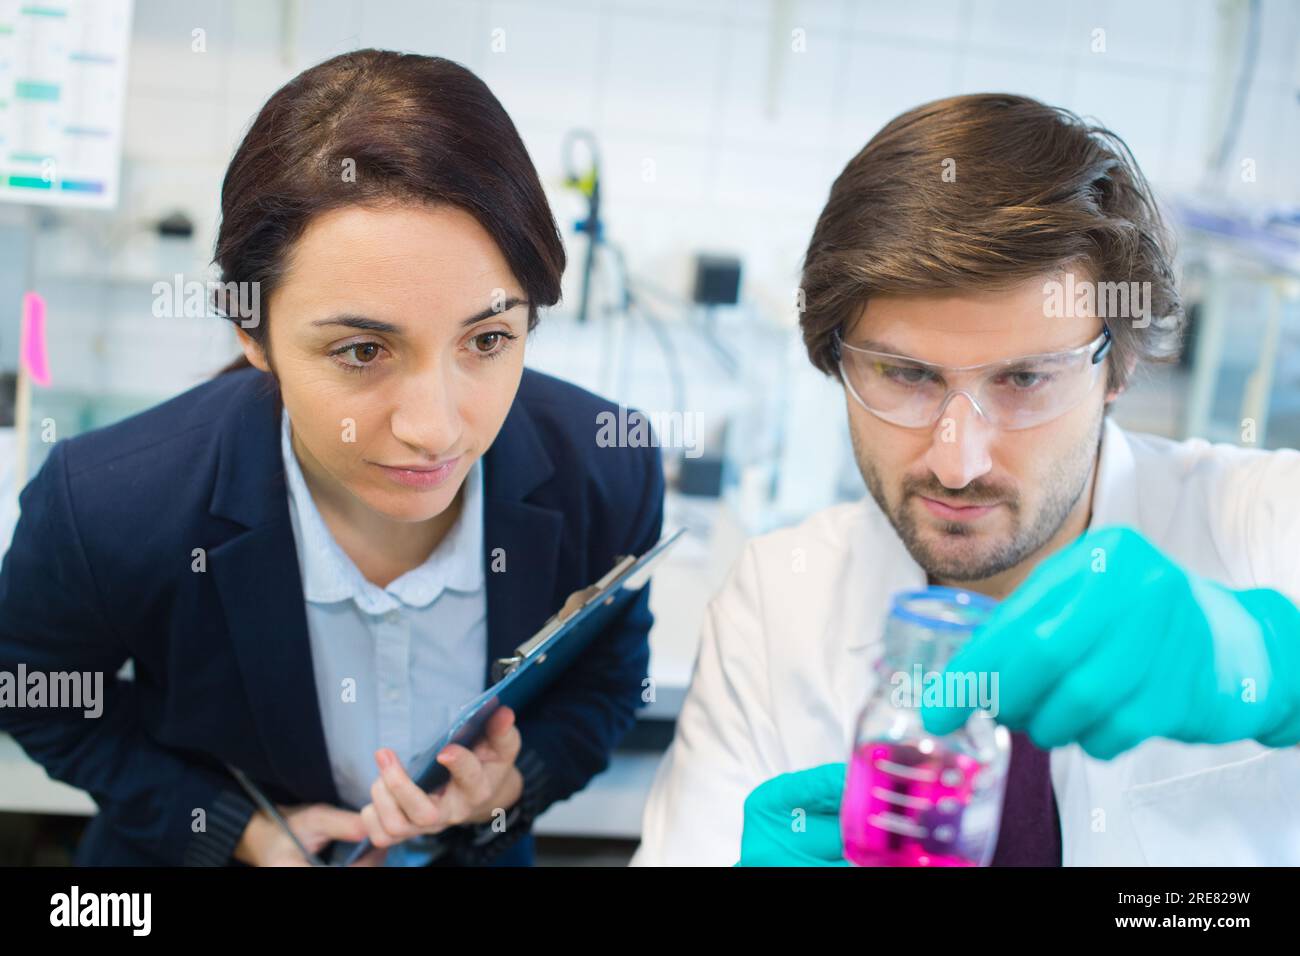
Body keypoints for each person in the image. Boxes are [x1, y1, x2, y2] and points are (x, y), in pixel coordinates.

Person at [0, 49, 663, 867]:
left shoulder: (607, 470)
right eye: (360, 350)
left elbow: (605, 679)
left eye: (488, 339)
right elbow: (37, 698)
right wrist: (233, 828)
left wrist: (512, 783)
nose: (434, 428)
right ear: (250, 329)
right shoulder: (107, 504)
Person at [632, 94, 1300, 867]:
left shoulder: (1261, 520)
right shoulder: (779, 602)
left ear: (1115, 367)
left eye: (1024, 379)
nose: (957, 462)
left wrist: (1260, 664)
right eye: (905, 374)